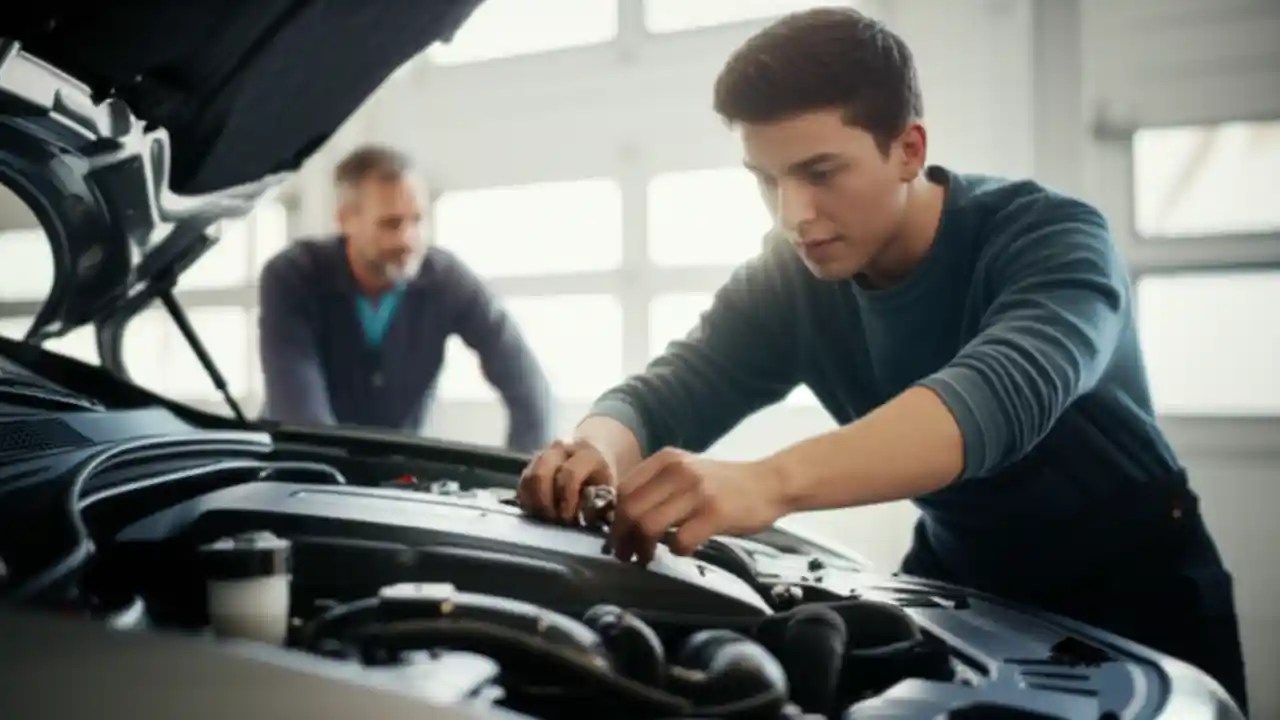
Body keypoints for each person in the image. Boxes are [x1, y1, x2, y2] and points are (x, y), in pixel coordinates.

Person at [516, 8, 1249, 714]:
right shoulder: (788, 278)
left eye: (821, 172)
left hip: (1136, 588)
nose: (791, 215)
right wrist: (595, 449)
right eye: (766, 179)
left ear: (909, 148)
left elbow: (997, 398)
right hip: (960, 574)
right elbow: (671, 389)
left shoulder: (1053, 237)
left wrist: (771, 482)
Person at [258, 144, 553, 453]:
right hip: (299, 468)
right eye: (391, 223)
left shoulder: (448, 281)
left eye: (418, 220)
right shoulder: (293, 275)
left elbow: (529, 389)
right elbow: (300, 415)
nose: (409, 239)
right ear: (346, 219)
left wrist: (526, 480)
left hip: (395, 472)